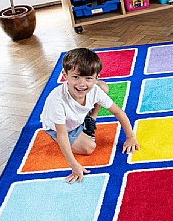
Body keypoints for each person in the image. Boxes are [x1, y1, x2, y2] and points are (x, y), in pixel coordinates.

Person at [40, 47, 139, 183]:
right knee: (89, 148)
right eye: (75, 77)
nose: (81, 84)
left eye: (88, 78)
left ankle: (90, 118)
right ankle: (83, 126)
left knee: (103, 88)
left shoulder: (93, 89)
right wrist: (73, 165)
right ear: (65, 75)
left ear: (96, 77)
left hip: (77, 117)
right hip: (61, 128)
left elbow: (118, 112)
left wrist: (130, 137)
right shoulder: (57, 101)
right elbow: (62, 134)